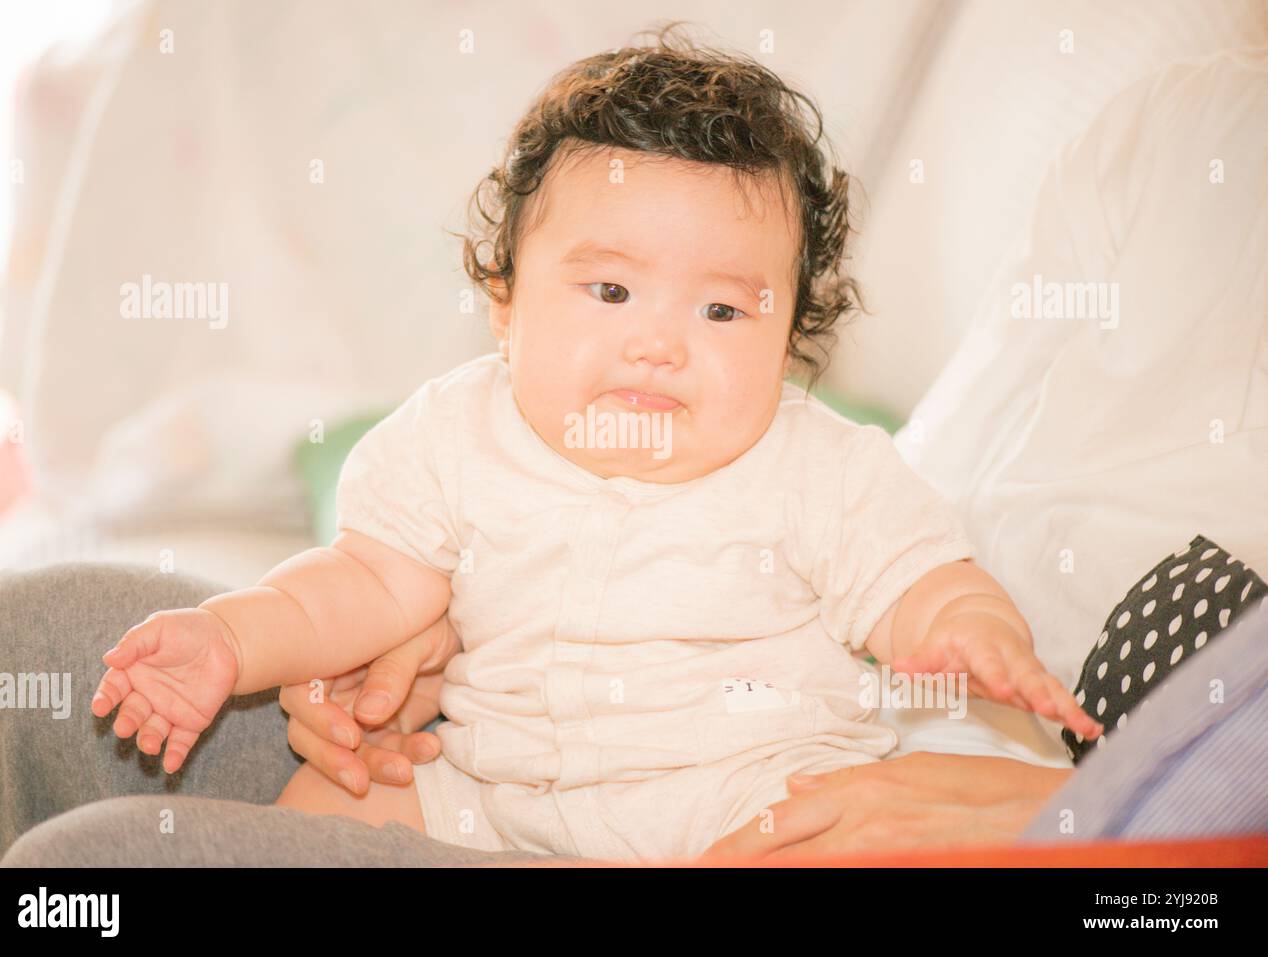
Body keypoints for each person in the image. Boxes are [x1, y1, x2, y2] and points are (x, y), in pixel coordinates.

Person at [83, 25, 1097, 863]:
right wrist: (231, 638)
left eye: (720, 311)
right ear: (505, 303)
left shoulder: (821, 469)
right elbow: (354, 583)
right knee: (325, 808)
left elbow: (923, 581)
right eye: (610, 290)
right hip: (490, 800)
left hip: (750, 813)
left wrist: (971, 630)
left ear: (790, 342)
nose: (657, 343)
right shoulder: (453, 434)